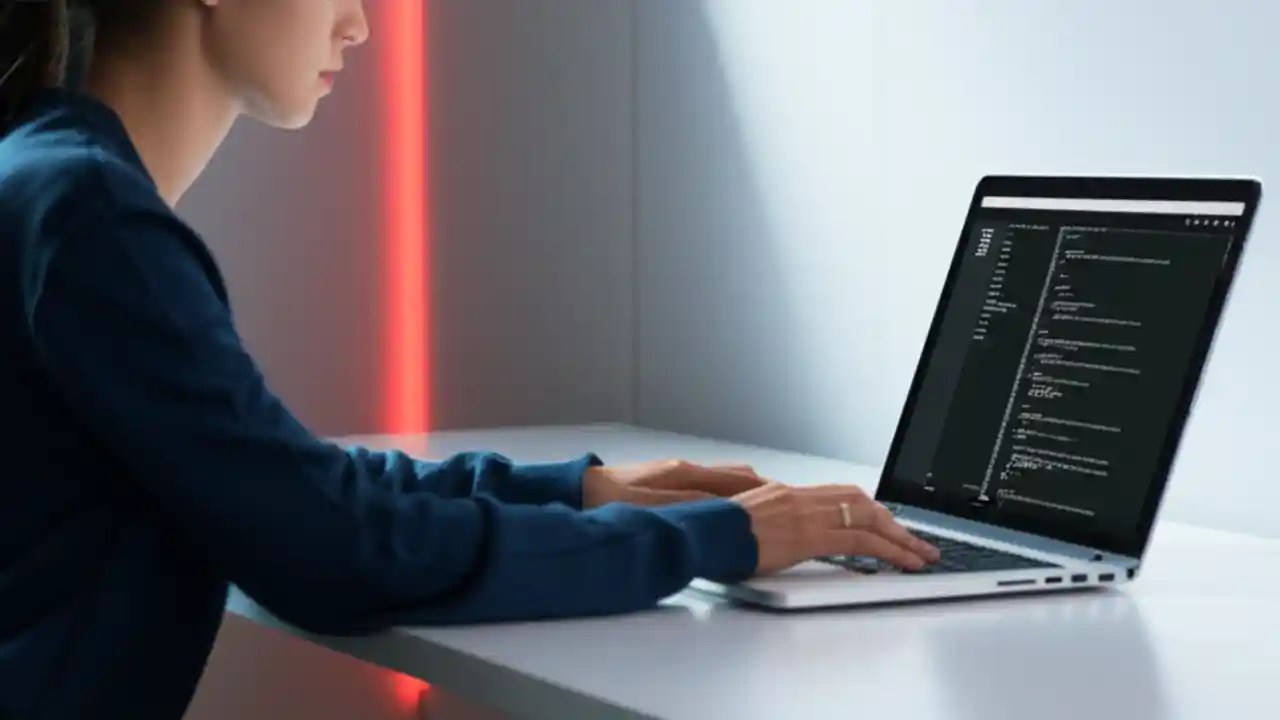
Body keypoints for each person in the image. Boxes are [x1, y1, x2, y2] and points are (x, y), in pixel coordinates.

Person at [0, 1, 939, 718]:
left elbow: (290, 487)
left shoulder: (47, 184)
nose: (362, 23)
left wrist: (578, 492)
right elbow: (330, 550)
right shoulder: (91, 218)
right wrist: (718, 539)